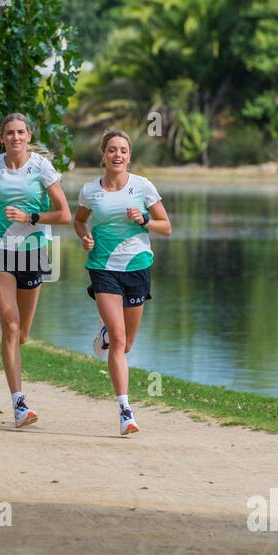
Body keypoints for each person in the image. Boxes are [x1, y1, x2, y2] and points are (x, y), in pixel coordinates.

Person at [73, 129, 171, 436]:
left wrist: (143, 219)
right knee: (118, 340)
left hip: (137, 267)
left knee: (126, 344)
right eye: (112, 150)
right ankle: (125, 411)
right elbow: (79, 220)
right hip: (103, 268)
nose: (118, 155)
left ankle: (106, 332)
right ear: (103, 155)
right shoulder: (90, 190)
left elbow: (166, 227)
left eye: (123, 151)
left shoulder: (143, 187)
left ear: (129, 156)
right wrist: (85, 237)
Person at [0, 113, 71, 428]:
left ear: (29, 136)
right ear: (1, 137)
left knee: (23, 334)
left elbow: (64, 214)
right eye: (9, 133)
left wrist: (31, 217)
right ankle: (19, 403)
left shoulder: (42, 168)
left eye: (21, 132)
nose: (15, 137)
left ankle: (13, 372)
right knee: (11, 324)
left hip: (33, 252)